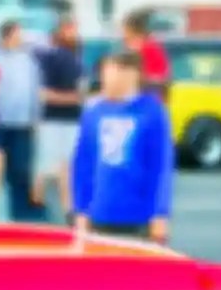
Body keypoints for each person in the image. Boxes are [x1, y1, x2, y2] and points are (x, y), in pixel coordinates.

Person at [72, 51, 174, 242]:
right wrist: (80, 209)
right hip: (99, 213)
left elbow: (160, 166)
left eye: (110, 71)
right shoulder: (94, 113)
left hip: (138, 217)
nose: (104, 79)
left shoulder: (152, 112)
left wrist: (160, 213)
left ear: (130, 74)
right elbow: (83, 164)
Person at [0, 20, 43, 221]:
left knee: (21, 169)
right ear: (6, 36)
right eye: (18, 34)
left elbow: (34, 89)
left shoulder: (28, 59)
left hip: (23, 123)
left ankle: (22, 214)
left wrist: (36, 117)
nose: (22, 38)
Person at [34, 15, 85, 221]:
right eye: (71, 28)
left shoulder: (76, 57)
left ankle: (66, 207)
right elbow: (42, 92)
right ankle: (44, 204)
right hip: (53, 119)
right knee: (51, 165)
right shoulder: (51, 58)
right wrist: (74, 99)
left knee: (65, 164)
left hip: (72, 119)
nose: (75, 33)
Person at [121, 11, 170, 97]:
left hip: (148, 95)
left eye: (125, 30)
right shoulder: (137, 48)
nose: (123, 35)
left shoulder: (150, 48)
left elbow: (158, 77)